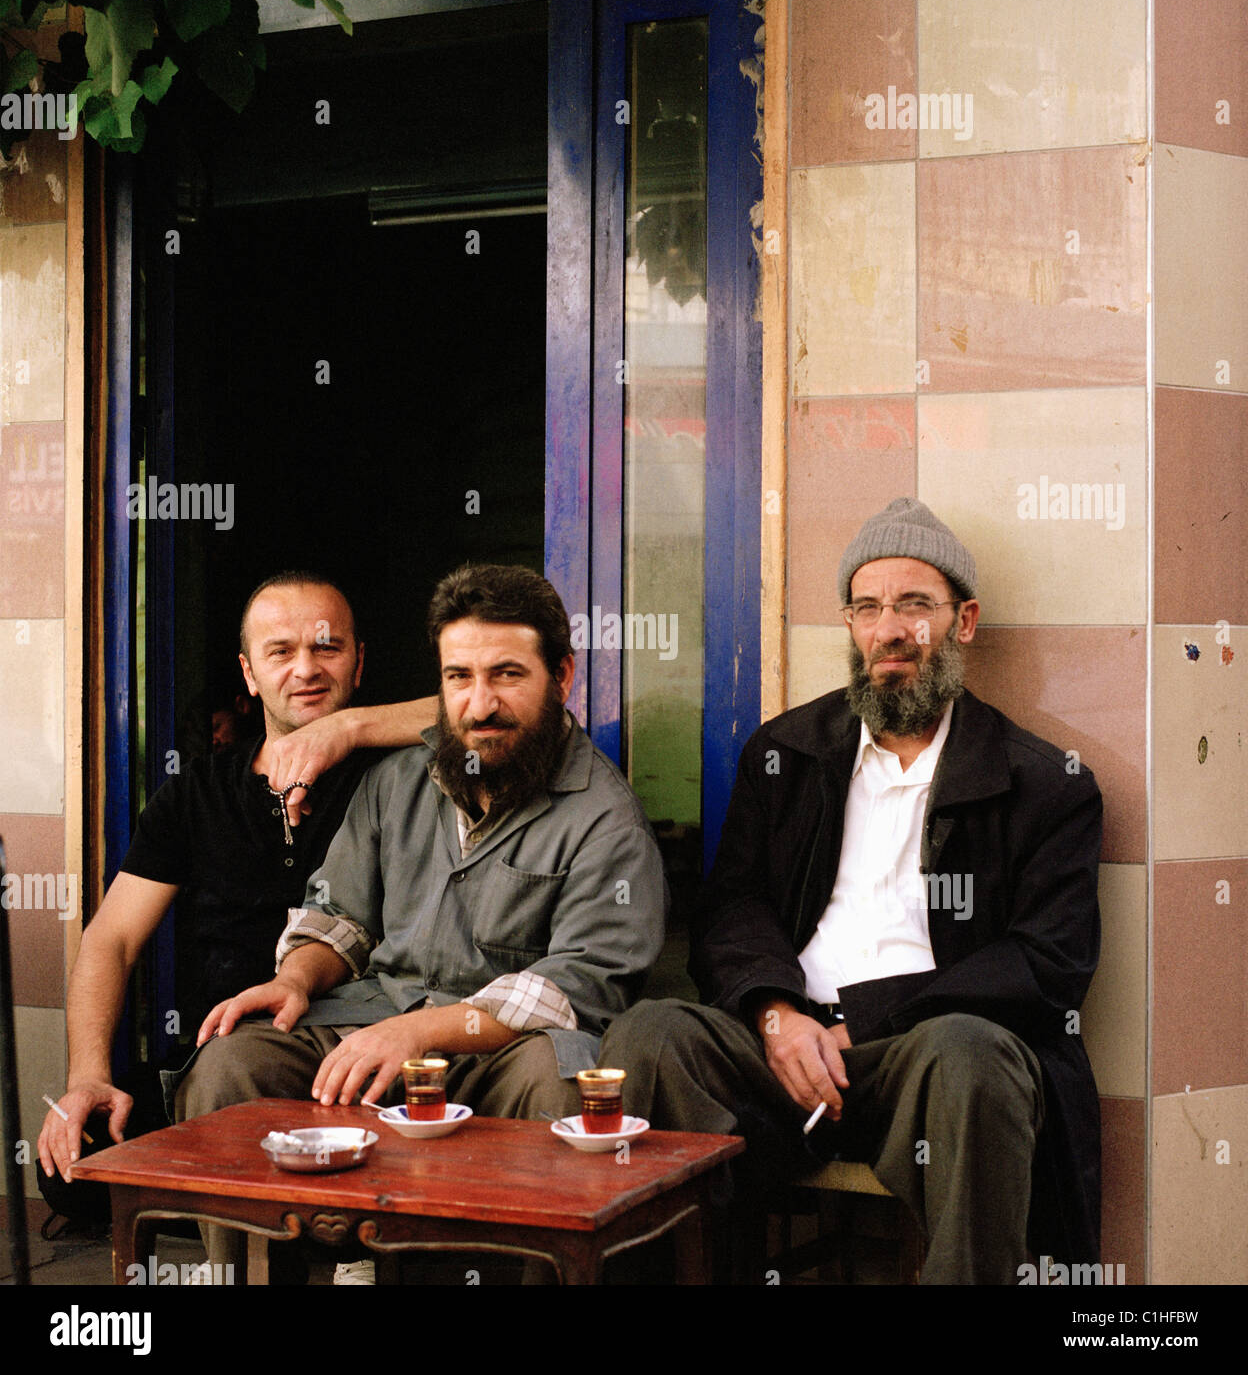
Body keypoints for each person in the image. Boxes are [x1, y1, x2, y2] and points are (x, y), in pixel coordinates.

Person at [602, 498, 1102, 1284]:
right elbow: (732, 908)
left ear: (963, 621)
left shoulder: (1042, 783)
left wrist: (861, 1023)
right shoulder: (785, 753)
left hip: (920, 1057)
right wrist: (777, 1016)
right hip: (785, 1054)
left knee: (973, 1055)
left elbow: (1048, 963)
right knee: (650, 1036)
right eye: (867, 608)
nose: (889, 630)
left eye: (913, 606)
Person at [182, 564, 668, 1273]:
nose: (480, 703)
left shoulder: (605, 819)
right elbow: (339, 914)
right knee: (230, 1064)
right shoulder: (398, 781)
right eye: (458, 677)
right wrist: (296, 978)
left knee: (558, 1081)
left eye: (506, 675)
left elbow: (579, 984)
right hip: (372, 1020)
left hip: (496, 1057)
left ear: (562, 676)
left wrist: (417, 1031)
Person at [38, 571, 437, 1185]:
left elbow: (504, 710)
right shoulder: (197, 791)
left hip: (372, 1043)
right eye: (281, 652)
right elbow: (110, 939)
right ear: (249, 674)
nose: (306, 669)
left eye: (327, 648)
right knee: (80, 1161)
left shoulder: (402, 774)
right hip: (231, 1054)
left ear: (360, 664)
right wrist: (87, 1076)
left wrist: (348, 728)